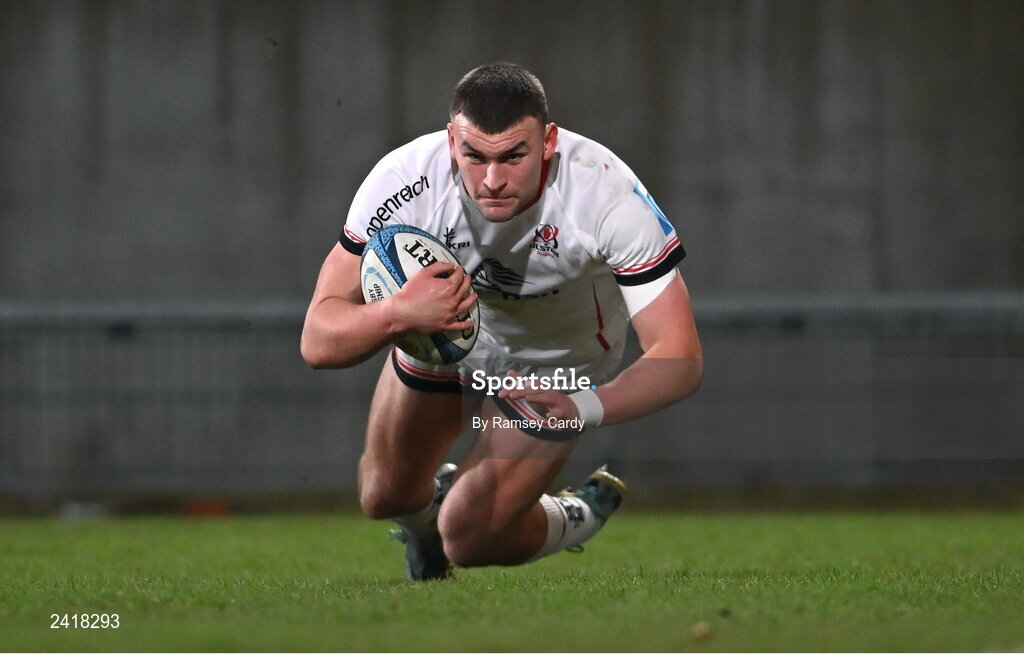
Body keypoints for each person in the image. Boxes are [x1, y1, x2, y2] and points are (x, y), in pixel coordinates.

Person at [301, 62, 702, 580]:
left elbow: (680, 357)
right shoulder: (403, 182)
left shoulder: (606, 196)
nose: (492, 180)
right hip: (447, 337)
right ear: (451, 141)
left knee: (469, 538)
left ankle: (575, 513)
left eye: (514, 155)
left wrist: (583, 406)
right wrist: (398, 313)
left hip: (554, 366)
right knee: (383, 495)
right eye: (474, 155)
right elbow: (317, 340)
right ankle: (424, 533)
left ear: (549, 141)